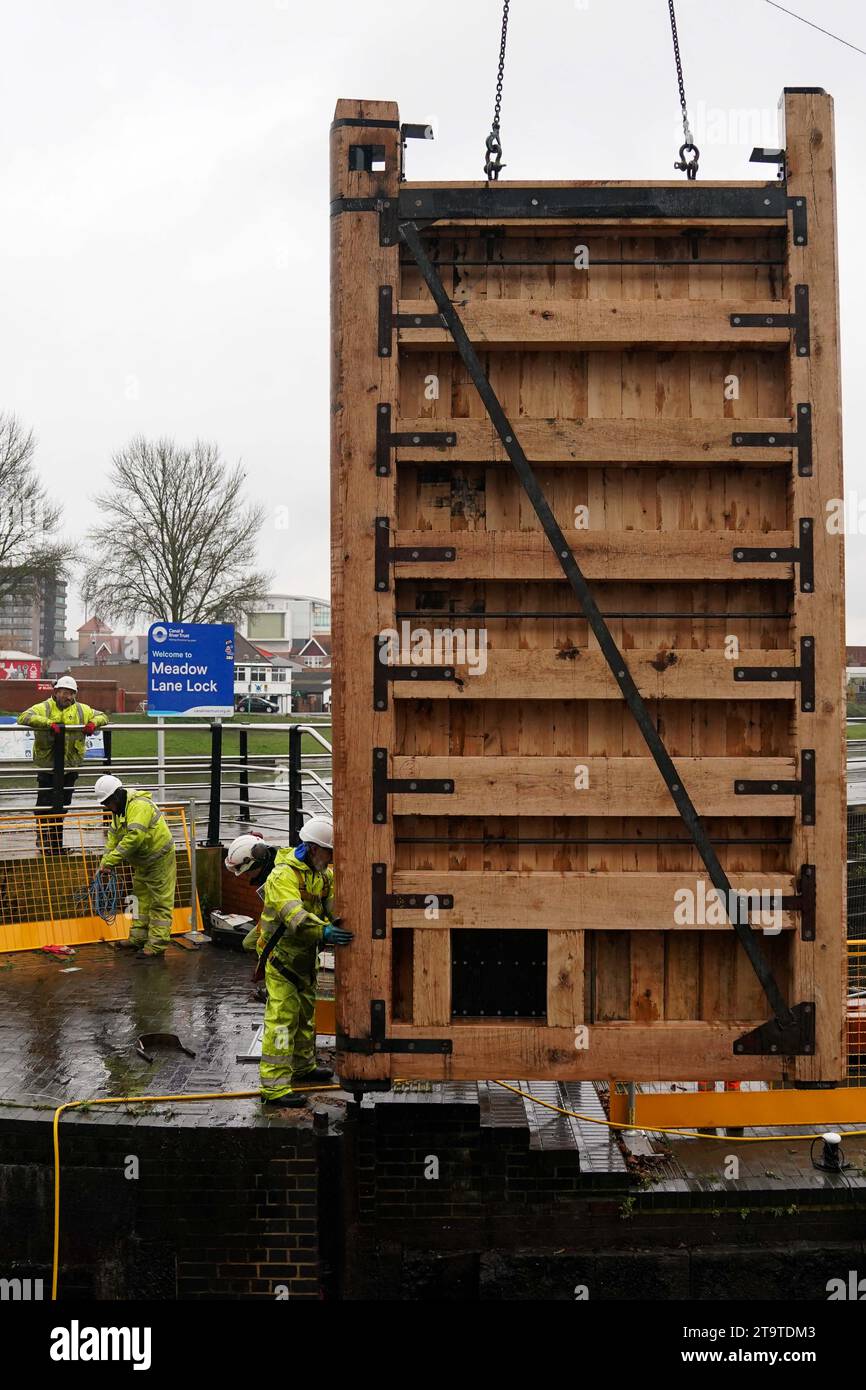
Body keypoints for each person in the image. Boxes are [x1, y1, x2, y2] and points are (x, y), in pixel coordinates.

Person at [224, 817, 353, 1108]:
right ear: (312, 848)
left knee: (305, 1017)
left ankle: (302, 1066)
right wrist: (324, 930)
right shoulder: (283, 876)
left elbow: (331, 905)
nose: (331, 858)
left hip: (306, 958)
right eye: (328, 852)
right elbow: (294, 917)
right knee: (282, 1022)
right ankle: (275, 1086)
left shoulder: (320, 874)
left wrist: (341, 920)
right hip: (282, 961)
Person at [18, 675, 108, 852]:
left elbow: (103, 716)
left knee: (63, 806)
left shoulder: (82, 710)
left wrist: (93, 723)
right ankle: (44, 844)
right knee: (43, 807)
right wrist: (48, 723)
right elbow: (24, 717)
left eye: (72, 694)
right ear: (56, 692)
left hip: (69, 767)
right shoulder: (43, 708)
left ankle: (56, 845)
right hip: (48, 767)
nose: (69, 697)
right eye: (66, 693)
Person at [93, 774, 177, 957]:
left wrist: (111, 861)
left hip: (159, 860)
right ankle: (138, 938)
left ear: (117, 796)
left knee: (160, 903)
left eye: (108, 802)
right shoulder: (119, 811)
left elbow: (134, 838)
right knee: (140, 900)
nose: (107, 807)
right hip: (143, 862)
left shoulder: (139, 806)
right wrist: (104, 862)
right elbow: (113, 838)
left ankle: (156, 946)